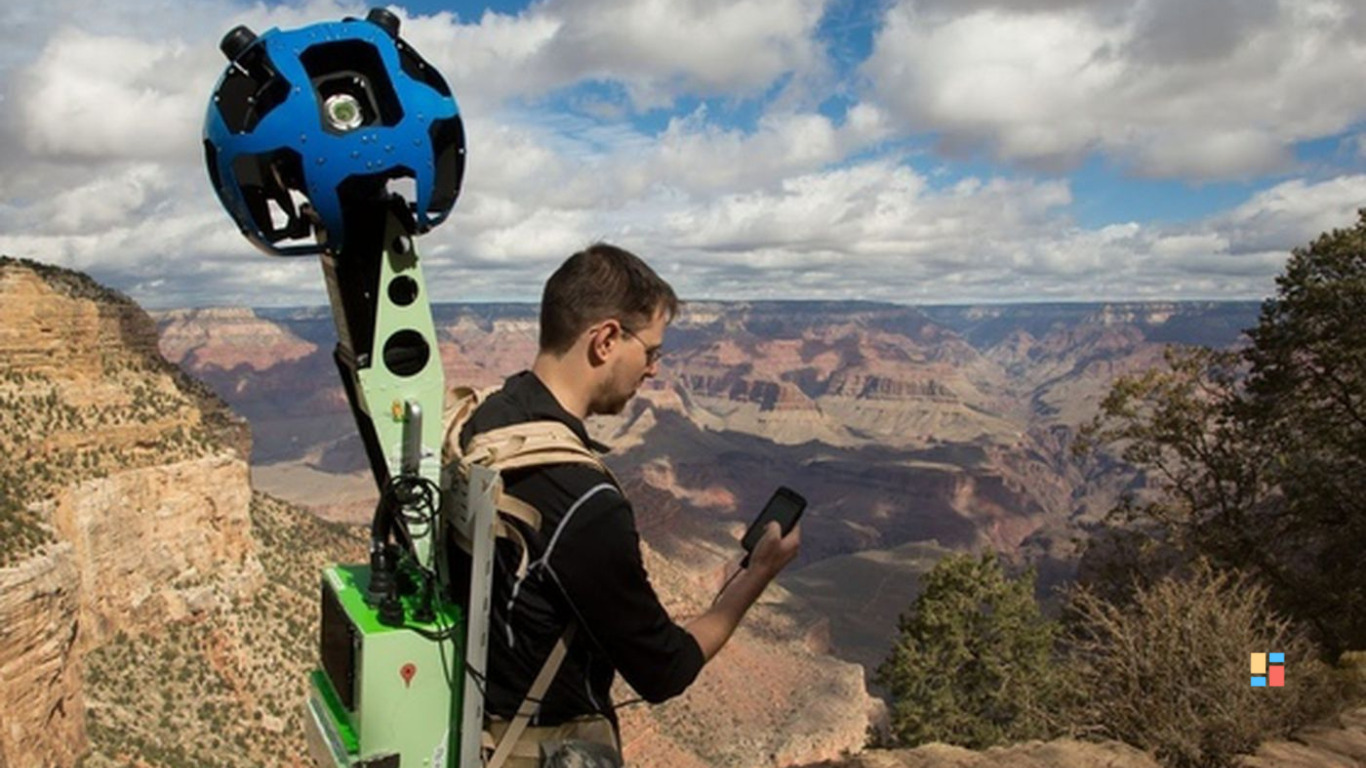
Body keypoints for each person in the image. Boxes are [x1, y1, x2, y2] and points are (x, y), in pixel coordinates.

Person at [458, 242, 802, 767]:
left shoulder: (486, 417)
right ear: (606, 340)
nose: (654, 371)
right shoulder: (583, 500)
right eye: (651, 352)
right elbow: (665, 670)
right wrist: (758, 575)